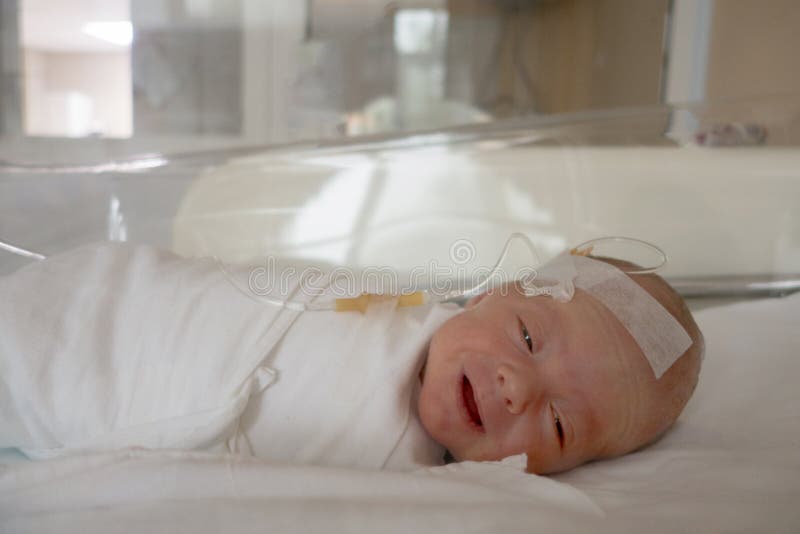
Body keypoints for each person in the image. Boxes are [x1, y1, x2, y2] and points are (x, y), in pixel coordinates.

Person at [0, 242, 702, 475]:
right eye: (525, 336)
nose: (516, 387)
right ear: (488, 292)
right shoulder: (397, 301)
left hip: (95, 397)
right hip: (117, 305)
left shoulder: (427, 494)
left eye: (558, 426)